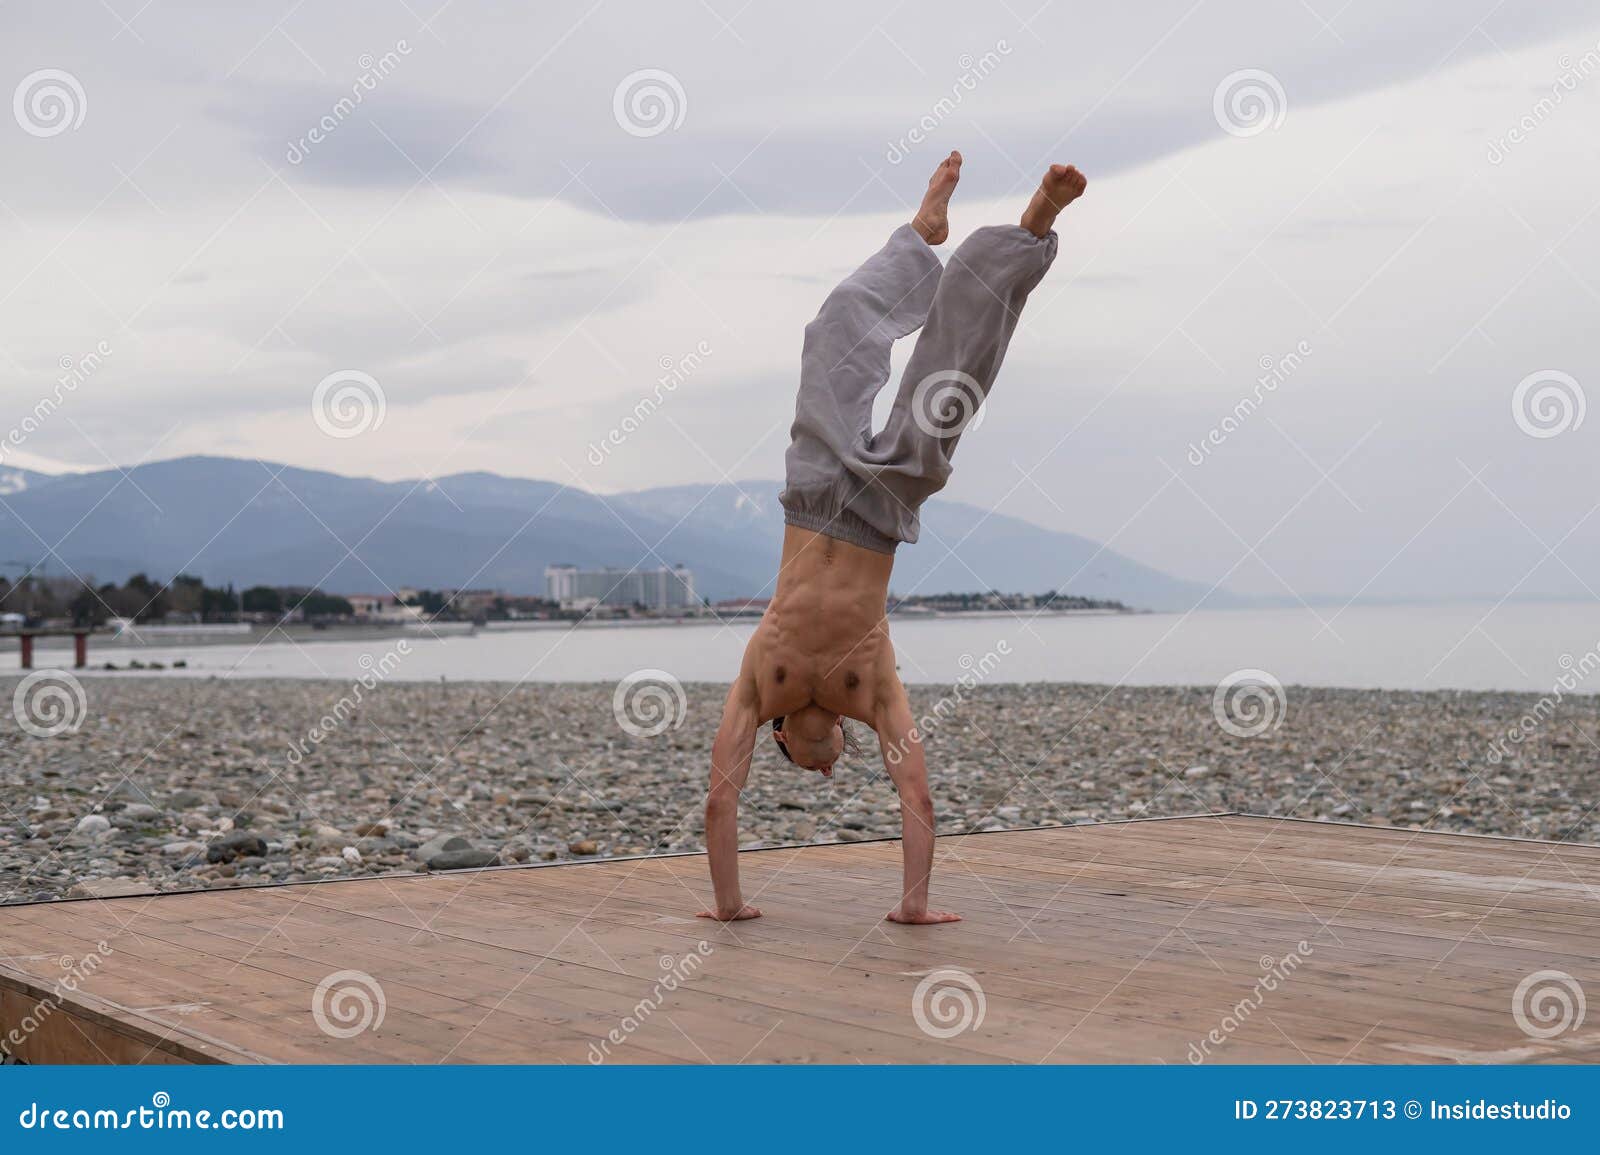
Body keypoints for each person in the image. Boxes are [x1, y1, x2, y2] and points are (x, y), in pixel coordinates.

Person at [698, 151, 1087, 924]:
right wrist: (914, 907)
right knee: (953, 377)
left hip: (812, 493)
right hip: (884, 508)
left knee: (833, 331)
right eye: (836, 770)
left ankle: (920, 233)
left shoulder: (759, 679)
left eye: (816, 771)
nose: (830, 773)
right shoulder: (873, 691)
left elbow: (719, 796)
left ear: (785, 744)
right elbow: (916, 794)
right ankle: (1031, 228)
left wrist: (729, 906)